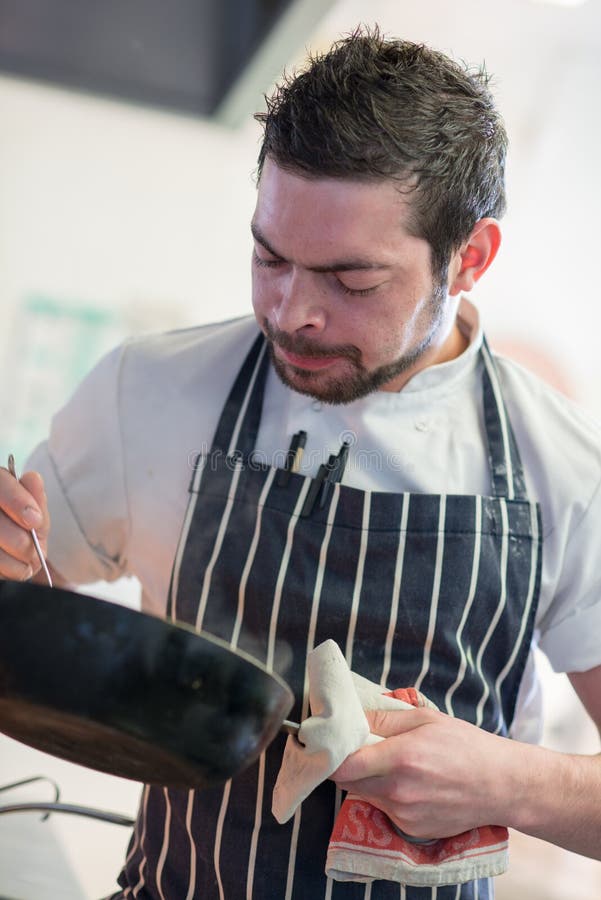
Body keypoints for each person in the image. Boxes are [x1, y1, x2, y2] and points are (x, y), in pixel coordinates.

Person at [1, 26, 601, 900]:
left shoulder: (565, 470)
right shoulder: (151, 390)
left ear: (468, 258)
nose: (291, 313)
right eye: (269, 257)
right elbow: (31, 610)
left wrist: (508, 782)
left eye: (352, 282)